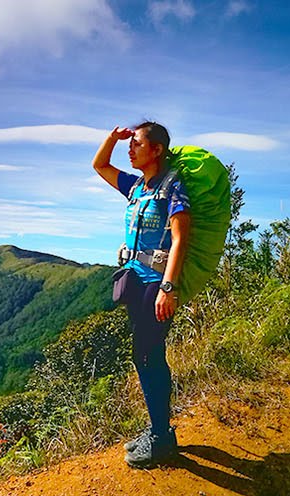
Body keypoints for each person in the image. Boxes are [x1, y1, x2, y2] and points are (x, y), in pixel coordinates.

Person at [91, 121, 190, 468]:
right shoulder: (137, 187)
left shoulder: (171, 187)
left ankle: (161, 437)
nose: (130, 149)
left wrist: (168, 287)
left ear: (157, 150)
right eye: (129, 145)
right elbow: (100, 166)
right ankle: (161, 431)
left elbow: (180, 239)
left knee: (147, 355)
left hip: (155, 285)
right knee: (147, 354)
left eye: (136, 144)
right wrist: (112, 139)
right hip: (136, 282)